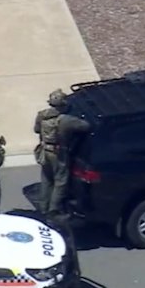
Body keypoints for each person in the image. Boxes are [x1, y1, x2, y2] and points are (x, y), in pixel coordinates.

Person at [34, 88, 91, 219]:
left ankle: (43, 208)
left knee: (46, 179)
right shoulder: (66, 120)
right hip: (58, 153)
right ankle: (53, 210)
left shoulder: (41, 115)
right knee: (60, 181)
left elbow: (36, 130)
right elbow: (86, 126)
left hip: (44, 151)